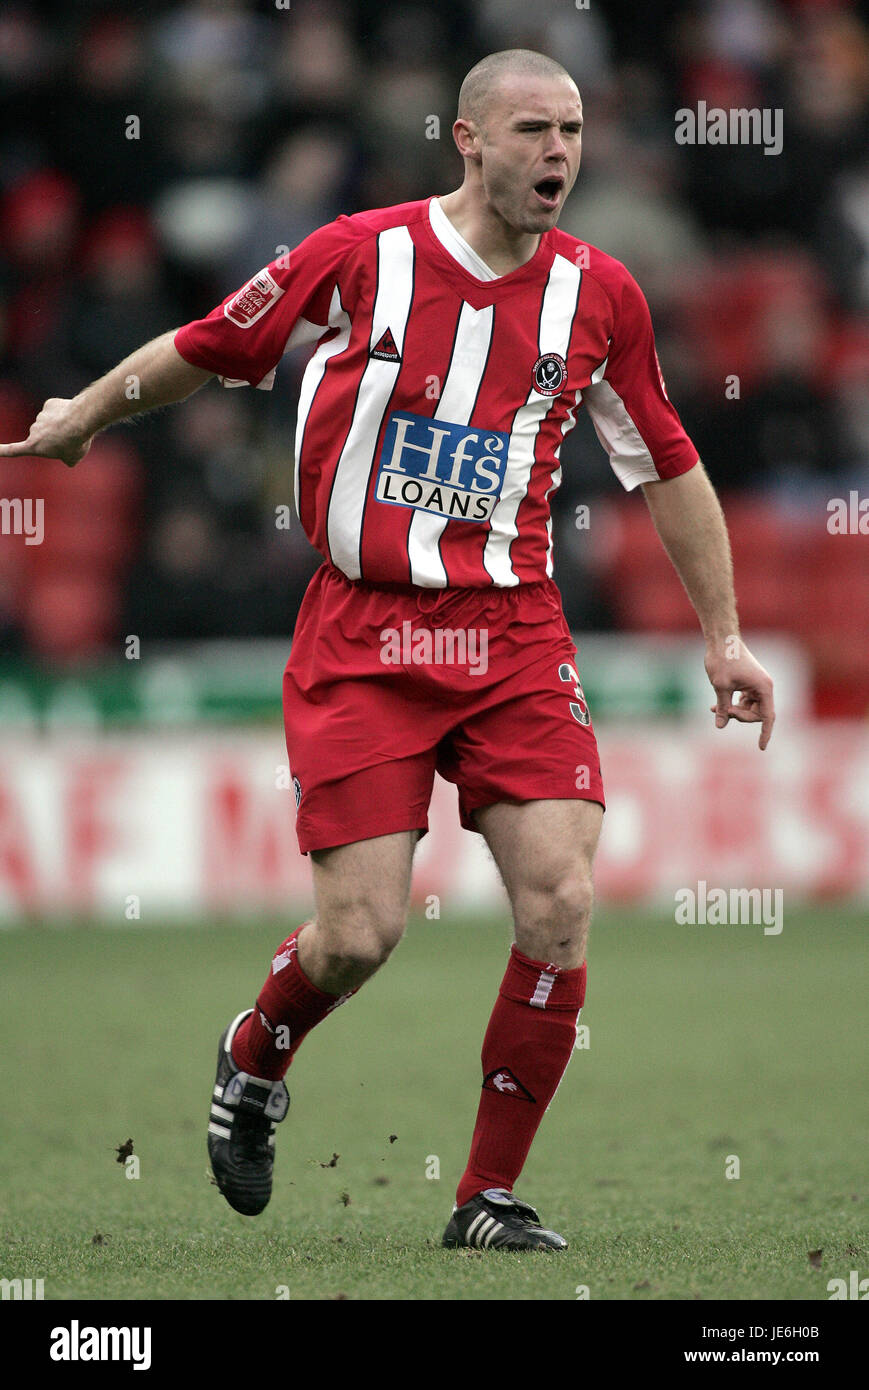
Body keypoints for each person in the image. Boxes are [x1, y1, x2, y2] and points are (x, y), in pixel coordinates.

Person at [0, 49, 775, 1252]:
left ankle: (484, 1198)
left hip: (512, 628)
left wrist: (721, 635)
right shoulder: (363, 253)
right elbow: (212, 344)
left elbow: (665, 463)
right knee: (359, 934)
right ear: (466, 140)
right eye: (531, 129)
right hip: (364, 628)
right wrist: (84, 418)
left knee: (560, 897)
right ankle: (256, 1051)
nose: (557, 152)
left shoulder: (600, 296)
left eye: (570, 130)